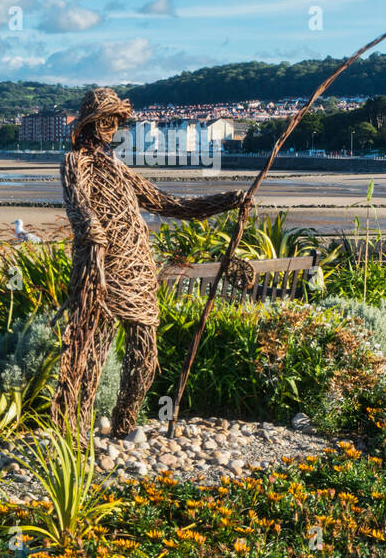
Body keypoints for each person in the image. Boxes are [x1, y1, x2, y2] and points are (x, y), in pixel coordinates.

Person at [53, 87, 251, 439]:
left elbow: (171, 205)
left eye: (115, 121)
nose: (111, 127)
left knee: (144, 358)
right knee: (91, 358)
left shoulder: (121, 171)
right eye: (106, 120)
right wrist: (92, 231)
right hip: (101, 273)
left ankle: (124, 425)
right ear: (91, 122)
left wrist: (223, 201)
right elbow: (77, 204)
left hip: (138, 273)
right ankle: (75, 434)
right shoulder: (75, 162)